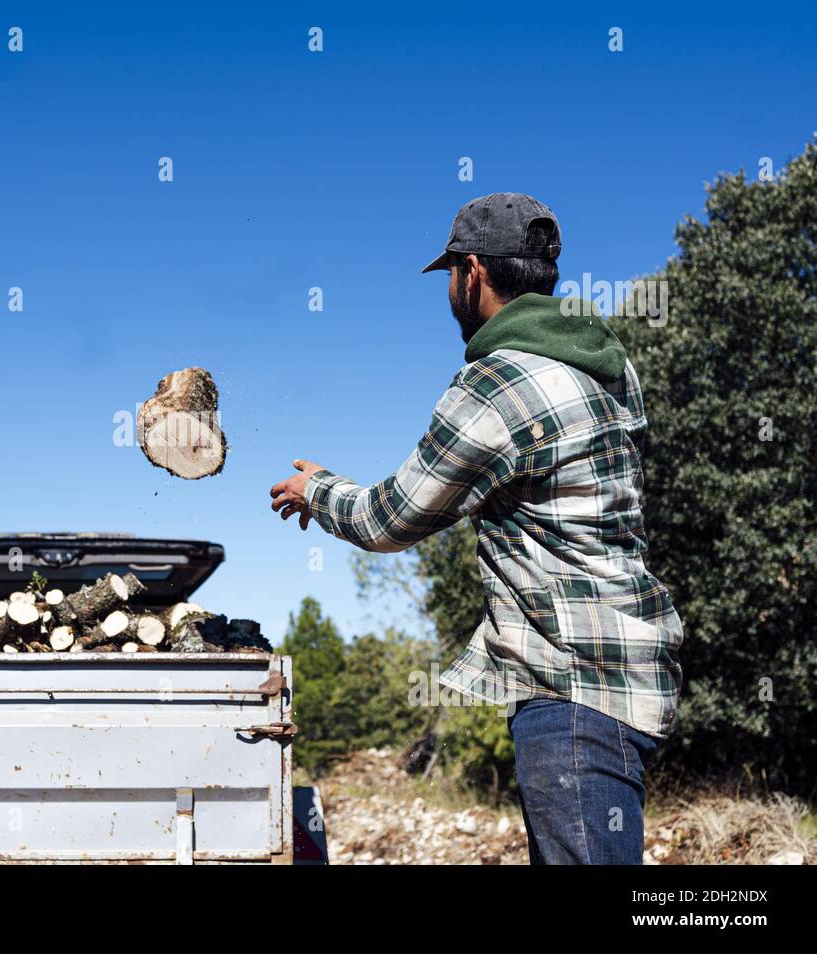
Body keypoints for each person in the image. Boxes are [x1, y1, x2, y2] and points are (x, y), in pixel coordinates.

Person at [270, 193, 683, 864]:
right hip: (636, 676)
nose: (453, 295)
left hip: (569, 689)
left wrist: (318, 491)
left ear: (474, 274)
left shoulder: (498, 381)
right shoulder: (612, 368)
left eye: (453, 279)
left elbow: (390, 518)